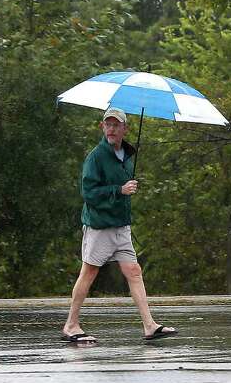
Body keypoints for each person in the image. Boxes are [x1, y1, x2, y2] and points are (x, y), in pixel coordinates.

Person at [60, 107, 176, 344]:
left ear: (125, 129)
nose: (111, 129)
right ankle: (71, 325)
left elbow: (122, 188)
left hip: (121, 226)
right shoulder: (96, 157)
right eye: (108, 124)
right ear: (102, 127)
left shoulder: (127, 155)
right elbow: (88, 193)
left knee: (134, 271)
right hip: (100, 226)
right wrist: (119, 190)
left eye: (116, 125)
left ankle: (149, 325)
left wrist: (128, 188)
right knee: (89, 272)